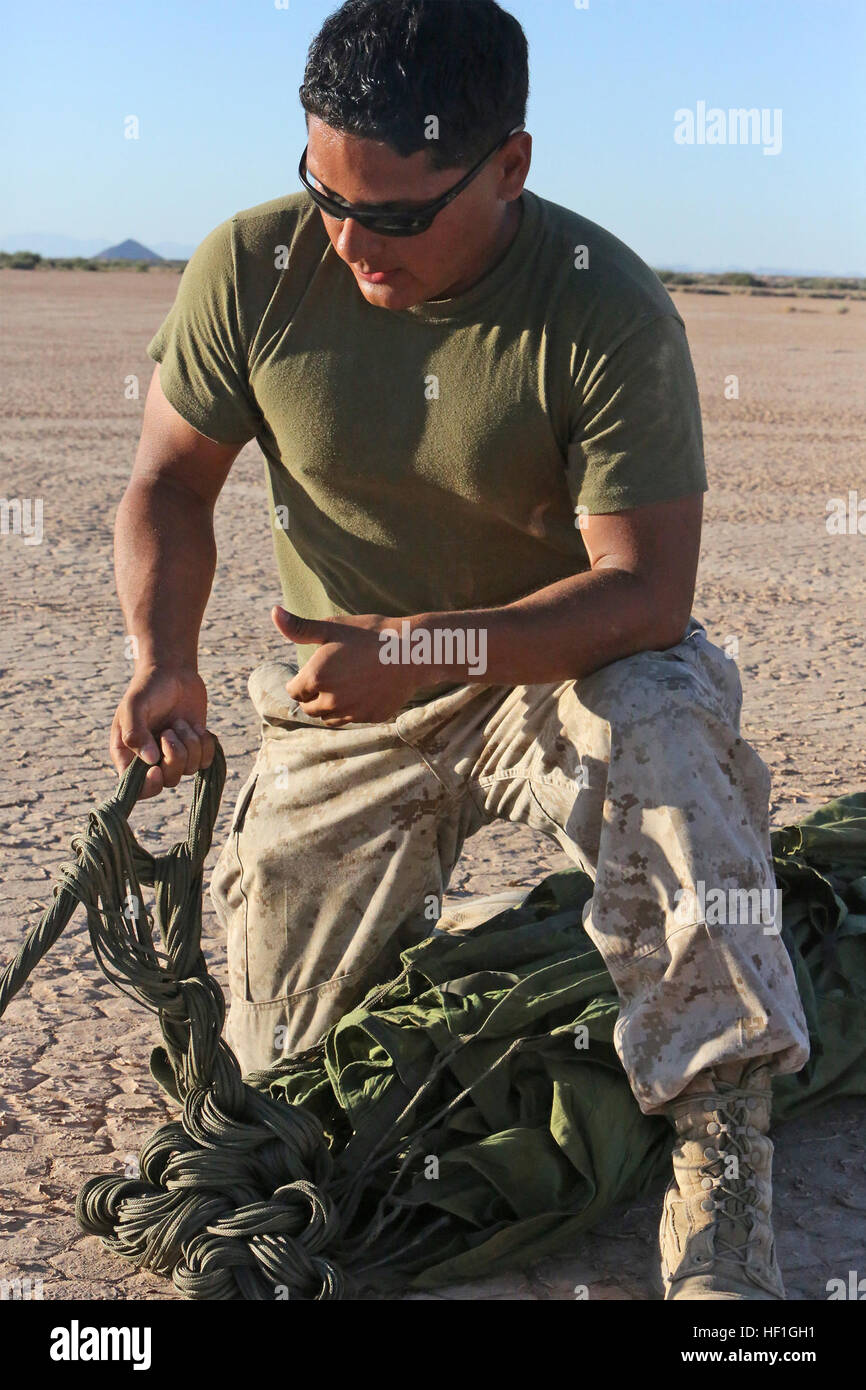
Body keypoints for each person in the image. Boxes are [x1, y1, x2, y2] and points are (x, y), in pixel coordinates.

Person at [111, 0, 809, 1300]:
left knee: (662, 718)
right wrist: (163, 655)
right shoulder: (250, 270)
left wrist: (428, 644)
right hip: (347, 701)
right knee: (288, 1080)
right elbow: (166, 482)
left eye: (396, 215)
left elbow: (646, 594)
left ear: (508, 166)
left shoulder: (606, 310)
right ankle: (497, 926)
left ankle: (722, 1167)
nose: (350, 242)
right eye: (323, 194)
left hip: (552, 667)